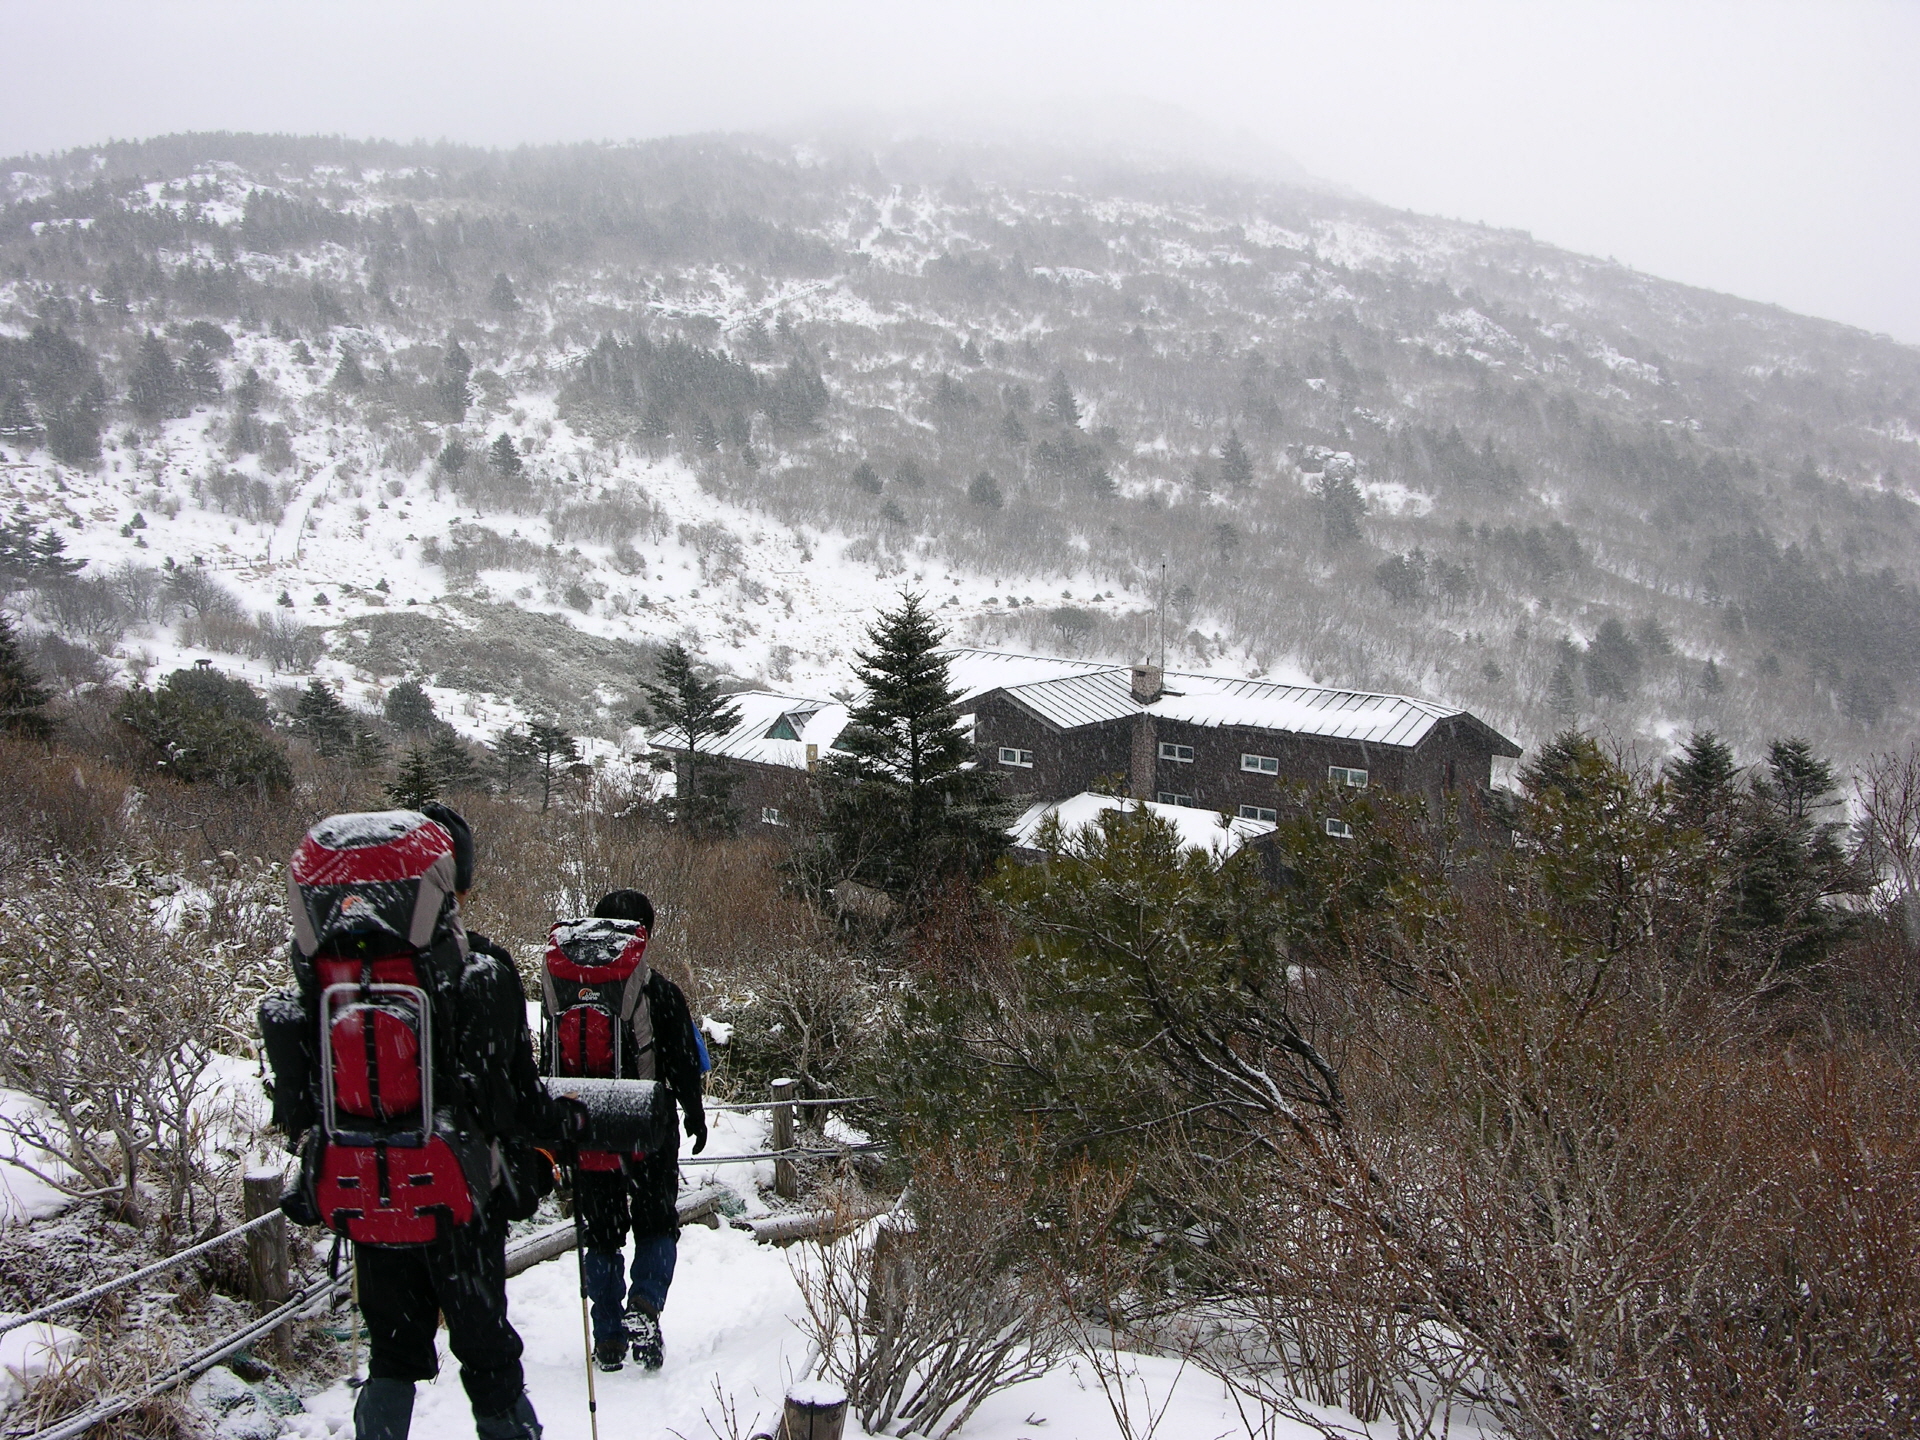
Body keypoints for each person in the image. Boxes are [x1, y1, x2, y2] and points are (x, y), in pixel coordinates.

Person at [268, 804, 583, 1440]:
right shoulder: (479, 974)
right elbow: (513, 1099)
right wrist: (562, 1127)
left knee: (391, 1357)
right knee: (487, 1353)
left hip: (364, 1192)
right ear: (452, 884)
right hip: (459, 1197)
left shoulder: (319, 981)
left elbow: (297, 1106)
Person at [565, 889, 709, 1372]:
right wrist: (694, 1113)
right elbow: (685, 1064)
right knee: (655, 1223)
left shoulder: (566, 987)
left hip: (586, 1128)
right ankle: (645, 1307)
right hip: (646, 1128)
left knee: (601, 1236)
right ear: (643, 933)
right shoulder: (659, 991)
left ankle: (606, 1338)